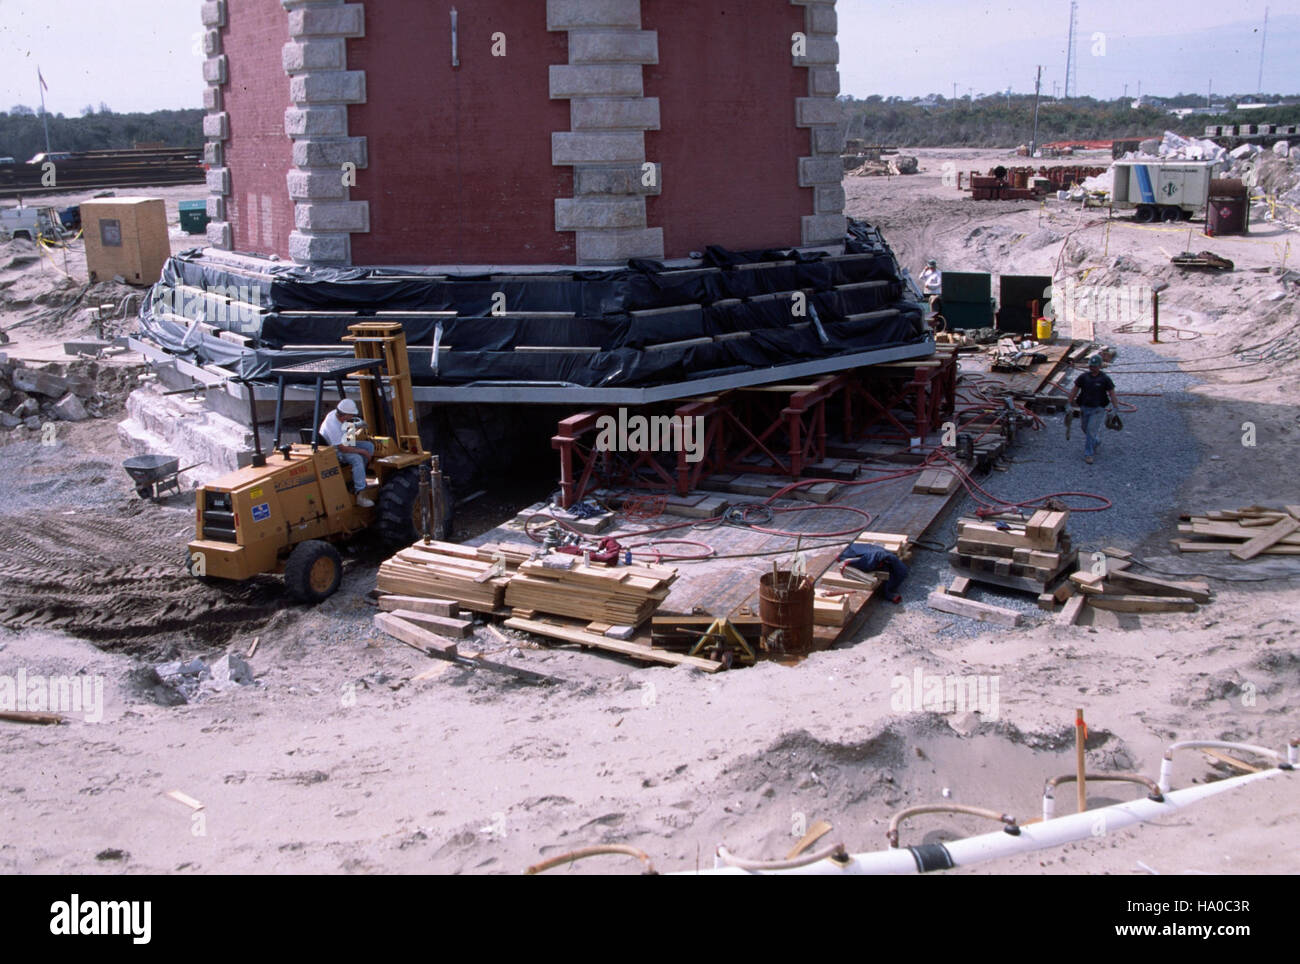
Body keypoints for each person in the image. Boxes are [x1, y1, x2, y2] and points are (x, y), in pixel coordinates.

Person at [319, 398, 375, 507]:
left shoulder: (337, 415)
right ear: (344, 415)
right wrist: (362, 452)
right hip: (333, 451)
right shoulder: (332, 425)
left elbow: (346, 431)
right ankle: (360, 493)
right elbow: (343, 448)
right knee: (357, 458)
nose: (352, 417)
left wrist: (356, 426)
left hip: (342, 443)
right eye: (351, 415)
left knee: (369, 446)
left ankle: (357, 477)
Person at [1066, 354, 1119, 464]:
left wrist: (1115, 408)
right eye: (1091, 366)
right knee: (1084, 428)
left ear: (1100, 366)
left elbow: (1112, 394)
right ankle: (1095, 441)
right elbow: (1074, 390)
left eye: (1094, 366)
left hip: (1098, 409)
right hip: (1085, 408)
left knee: (1090, 430)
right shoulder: (1083, 377)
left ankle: (1088, 454)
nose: (1092, 368)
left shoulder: (1105, 379)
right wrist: (1068, 403)